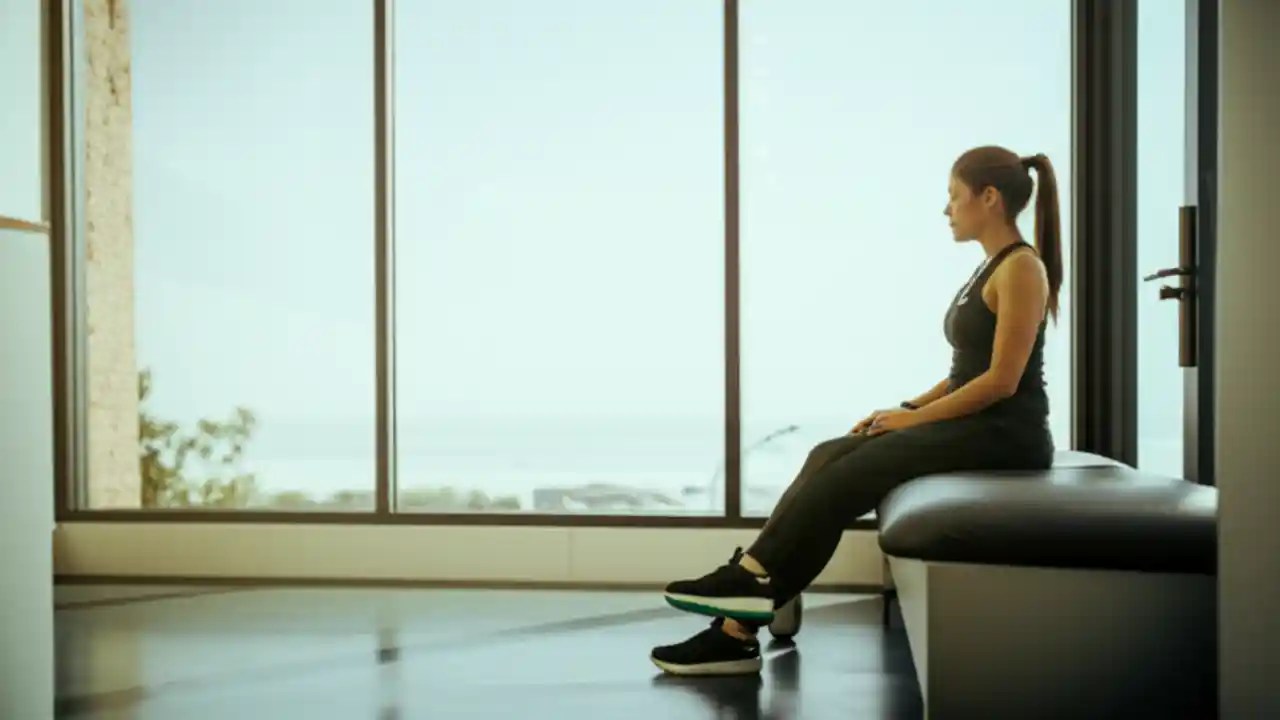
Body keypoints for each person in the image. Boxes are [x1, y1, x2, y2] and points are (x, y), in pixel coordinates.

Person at [650, 145, 1062, 676]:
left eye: (954, 197)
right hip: (977, 421)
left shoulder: (1023, 268)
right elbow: (966, 373)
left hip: (1007, 435)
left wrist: (909, 421)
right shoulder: (991, 268)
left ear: (989, 198)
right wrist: (904, 407)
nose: (947, 210)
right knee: (830, 452)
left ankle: (745, 603)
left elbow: (1002, 382)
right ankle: (748, 591)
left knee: (856, 473)